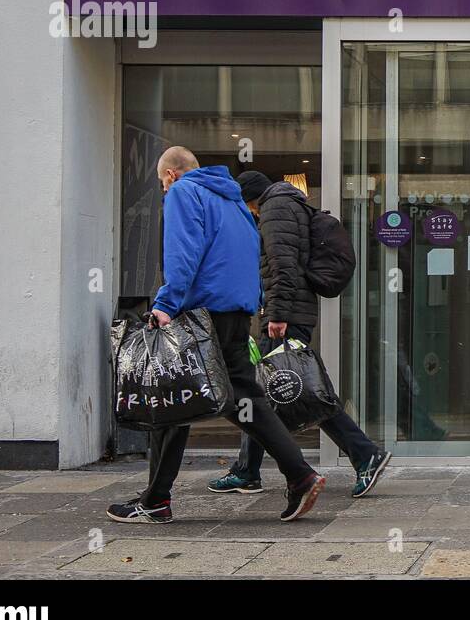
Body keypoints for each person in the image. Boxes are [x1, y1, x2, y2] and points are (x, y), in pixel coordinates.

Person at [107, 148, 326, 524]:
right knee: (244, 398)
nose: (163, 190)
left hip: (201, 312)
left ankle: (157, 500)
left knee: (170, 394)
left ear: (172, 175)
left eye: (162, 182)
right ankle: (300, 475)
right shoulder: (233, 200)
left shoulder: (183, 193)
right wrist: (252, 303)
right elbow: (251, 254)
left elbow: (183, 251)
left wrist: (166, 303)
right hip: (236, 313)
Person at [207, 170, 392, 499]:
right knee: (267, 389)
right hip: (290, 312)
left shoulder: (275, 209)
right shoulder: (286, 204)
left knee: (299, 391)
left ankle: (365, 454)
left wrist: (276, 315)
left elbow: (283, 264)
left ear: (249, 198)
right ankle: (247, 470)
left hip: (286, 316)